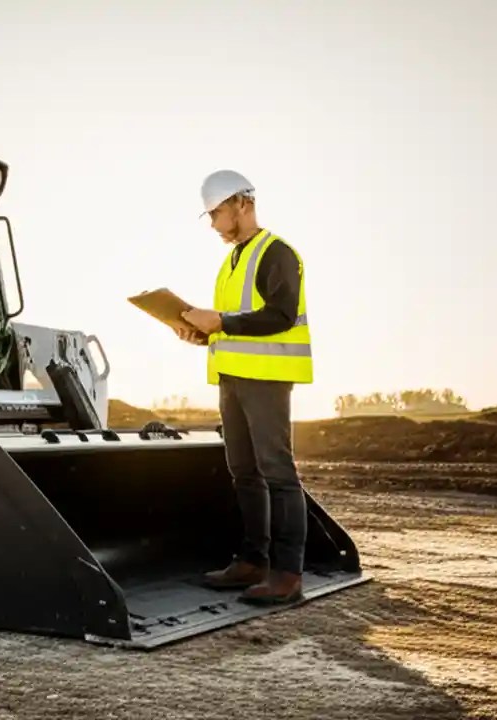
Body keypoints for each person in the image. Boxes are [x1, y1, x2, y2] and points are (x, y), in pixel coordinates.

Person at [177, 169, 313, 606]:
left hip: (266, 379)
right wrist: (203, 333)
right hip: (232, 378)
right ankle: (253, 561)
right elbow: (235, 323)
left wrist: (221, 322)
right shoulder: (232, 260)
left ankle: (287, 574)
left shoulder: (277, 253)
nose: (214, 224)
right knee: (244, 472)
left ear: (242, 203)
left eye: (216, 213)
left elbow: (281, 315)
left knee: (278, 473)